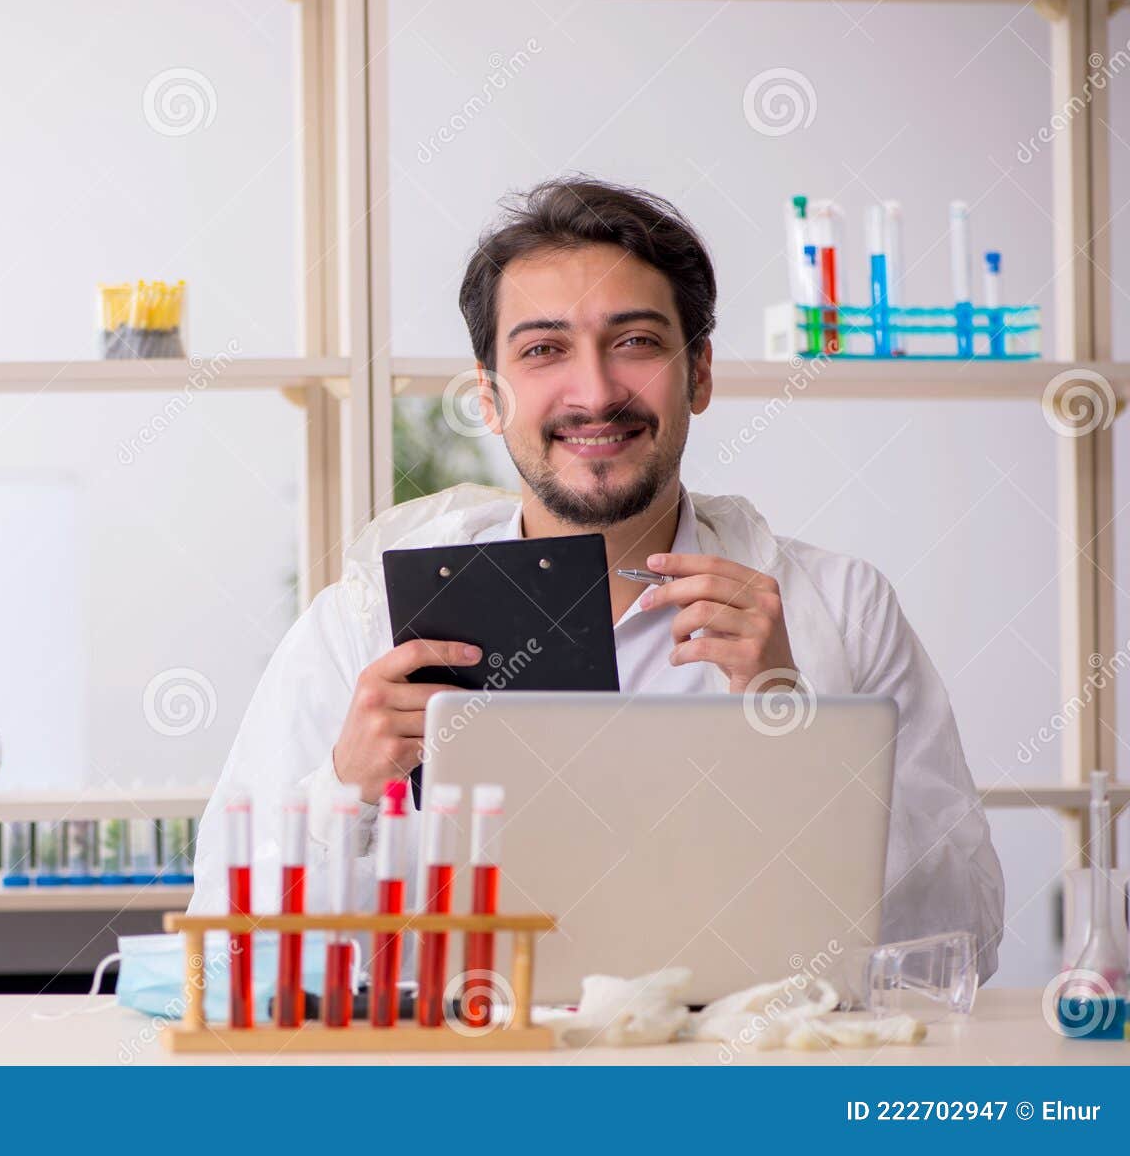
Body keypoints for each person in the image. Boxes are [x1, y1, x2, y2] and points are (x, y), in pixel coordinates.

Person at [189, 176, 1004, 981]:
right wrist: (348, 787)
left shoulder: (839, 611)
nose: (595, 392)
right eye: (544, 350)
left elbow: (958, 944)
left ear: (702, 373)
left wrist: (797, 724)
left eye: (637, 342)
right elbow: (226, 955)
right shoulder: (363, 628)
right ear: (490, 396)